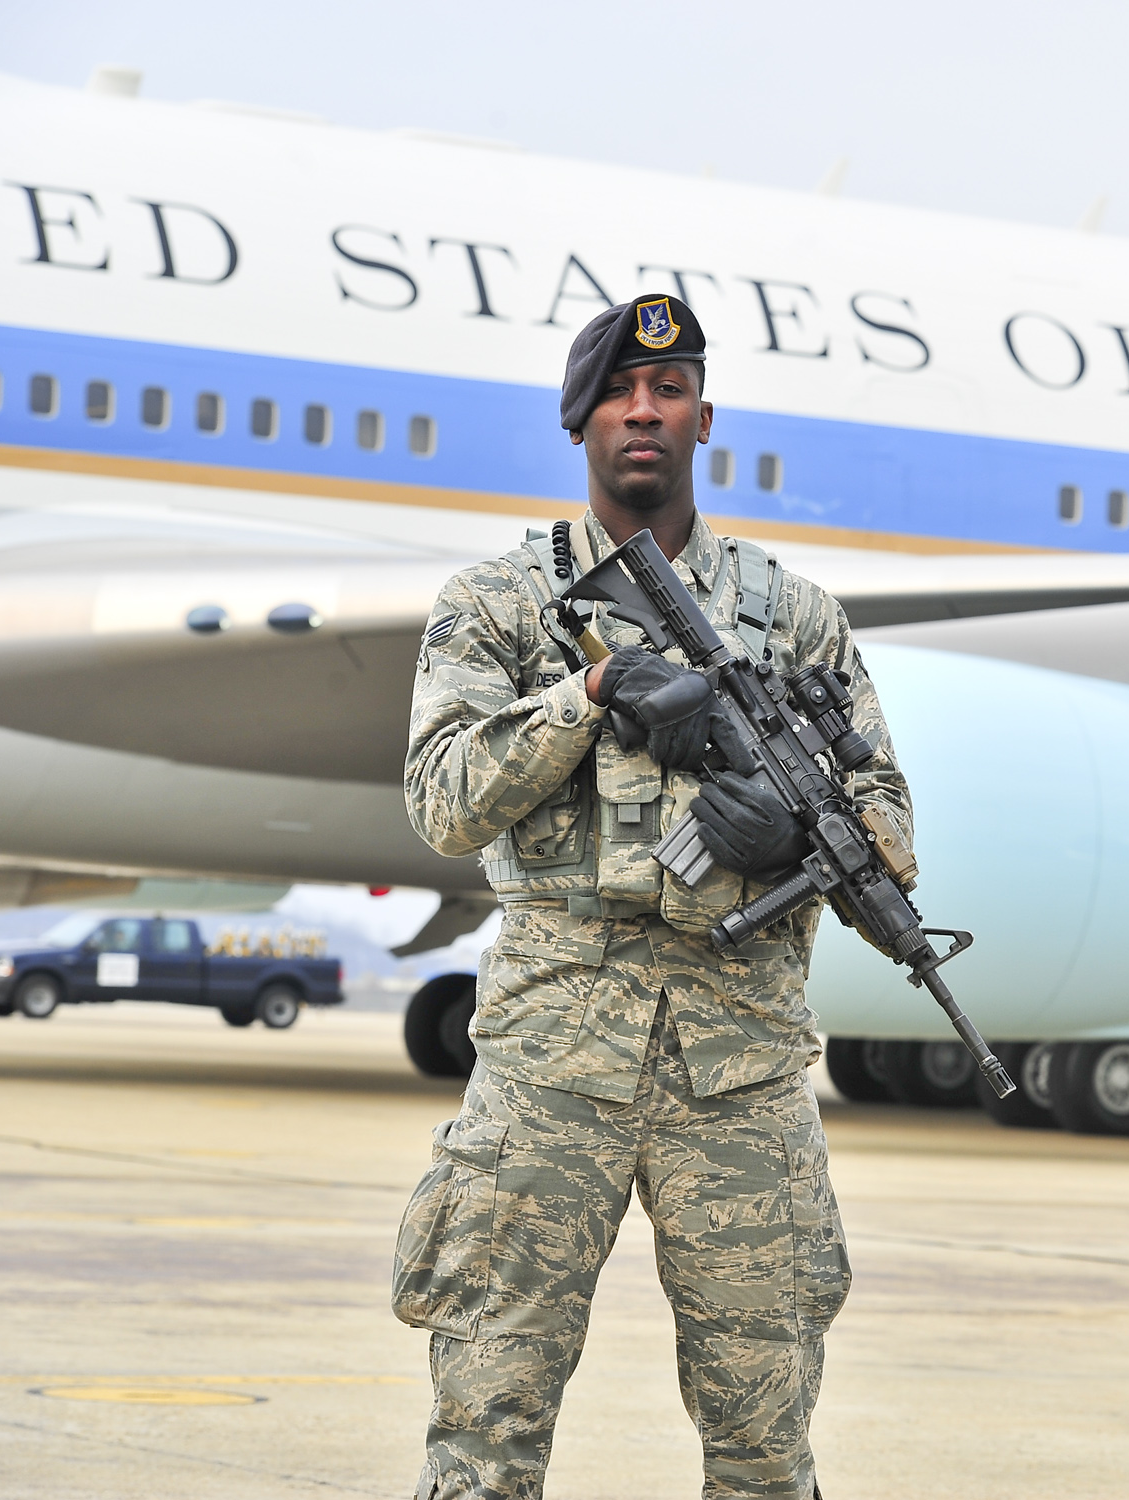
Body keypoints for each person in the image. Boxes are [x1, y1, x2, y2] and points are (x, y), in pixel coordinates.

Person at [394, 293, 912, 1500]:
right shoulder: (502, 606)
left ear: (703, 418)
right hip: (551, 1053)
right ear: (583, 420)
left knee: (765, 1446)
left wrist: (795, 831)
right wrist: (588, 697)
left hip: (739, 1071)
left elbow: (888, 826)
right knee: (486, 1432)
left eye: (670, 393)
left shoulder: (796, 620)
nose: (646, 412)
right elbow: (442, 802)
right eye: (623, 393)